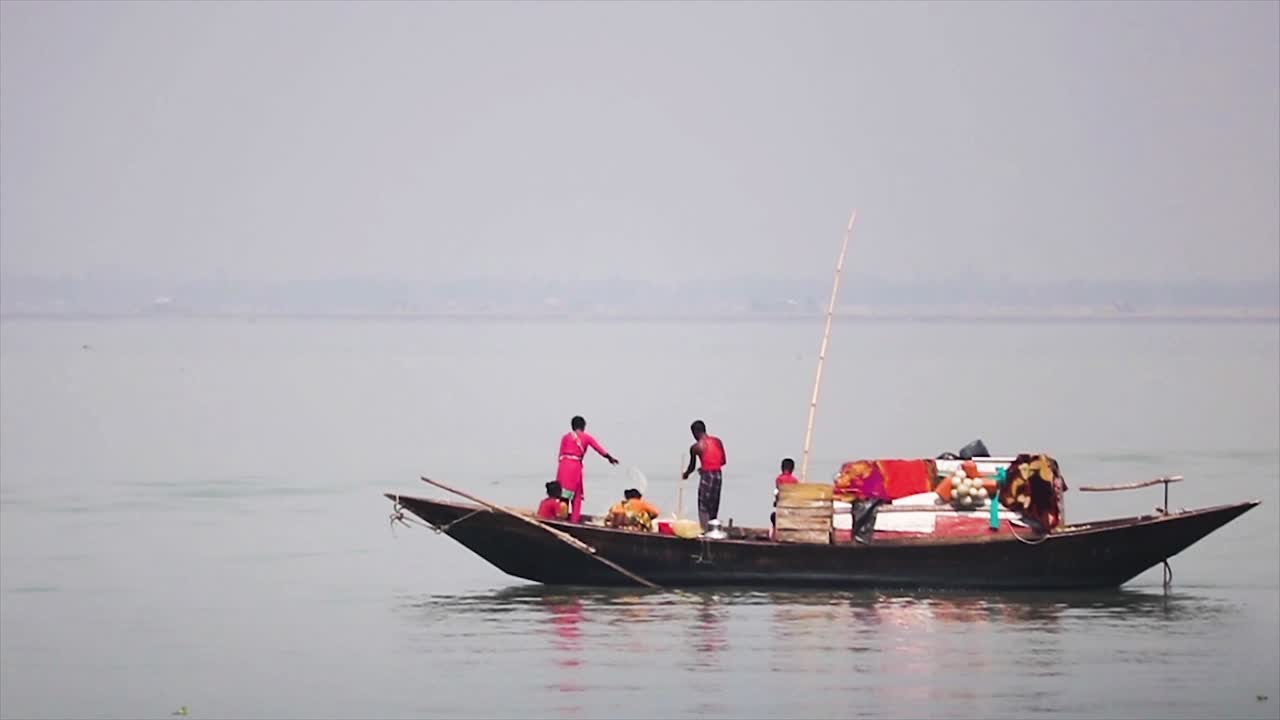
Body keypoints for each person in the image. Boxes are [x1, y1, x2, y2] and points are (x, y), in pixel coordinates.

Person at [556, 415, 618, 522]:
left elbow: (560, 456)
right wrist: (609, 457)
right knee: (576, 496)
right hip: (575, 467)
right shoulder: (586, 437)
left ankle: (561, 518)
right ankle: (574, 521)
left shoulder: (565, 437)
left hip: (563, 467)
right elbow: (598, 448)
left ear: (572, 426)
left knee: (563, 495)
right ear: (583, 426)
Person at [681, 419, 726, 528]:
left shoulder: (696, 447)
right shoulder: (717, 441)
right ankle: (713, 529)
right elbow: (723, 461)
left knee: (704, 506)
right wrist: (705, 467)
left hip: (707, 476)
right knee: (714, 505)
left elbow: (692, 467)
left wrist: (685, 474)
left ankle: (704, 530)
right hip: (718, 475)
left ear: (695, 432)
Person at [771, 457, 797, 538]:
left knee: (773, 517)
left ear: (781, 468)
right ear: (792, 469)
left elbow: (777, 494)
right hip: (791, 508)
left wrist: (776, 501)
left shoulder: (779, 479)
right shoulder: (795, 481)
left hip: (782, 508)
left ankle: (774, 536)